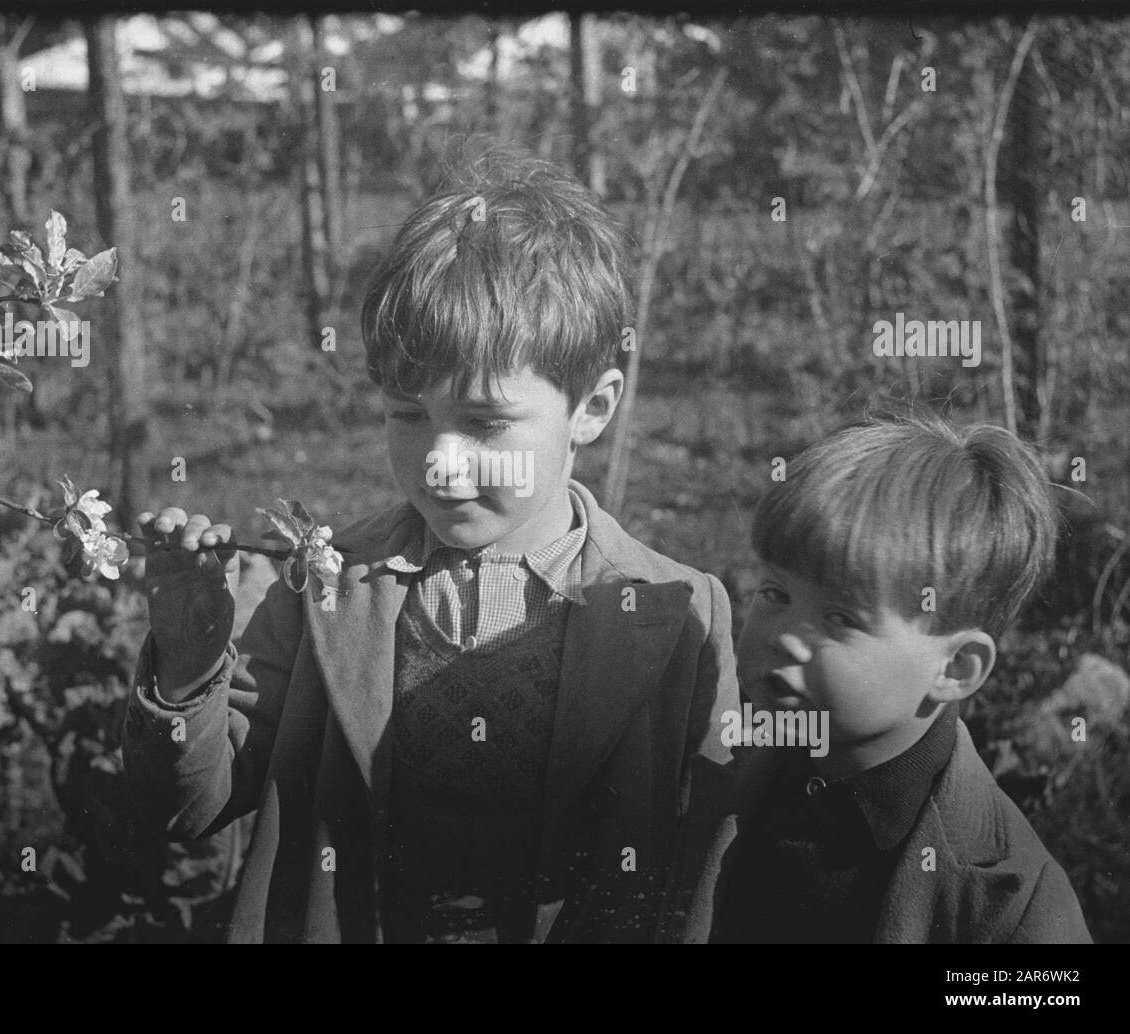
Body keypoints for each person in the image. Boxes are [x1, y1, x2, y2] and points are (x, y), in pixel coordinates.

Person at [122, 151, 739, 943]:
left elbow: (707, 885)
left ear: (592, 408)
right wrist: (188, 669)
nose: (440, 464)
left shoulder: (682, 616)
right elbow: (187, 804)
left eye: (484, 423)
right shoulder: (324, 585)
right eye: (406, 415)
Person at [659, 410, 1091, 943]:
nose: (784, 636)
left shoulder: (1012, 906)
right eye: (776, 594)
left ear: (955, 668)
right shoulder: (707, 775)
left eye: (841, 618)